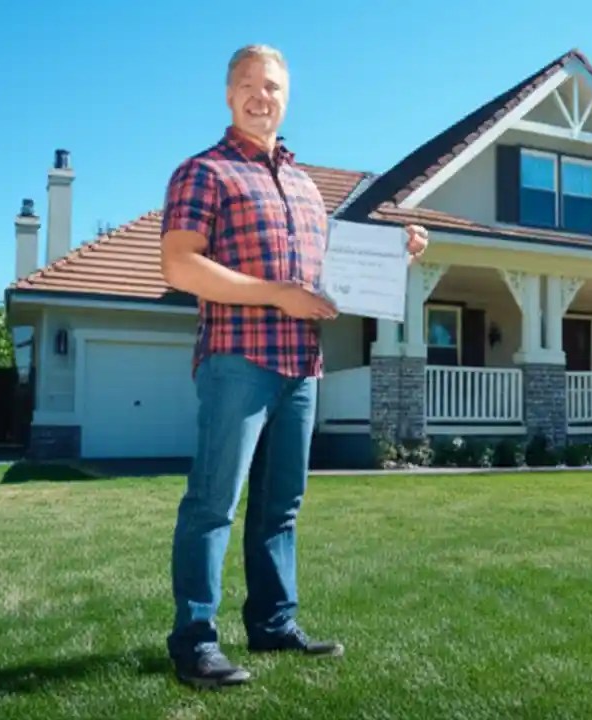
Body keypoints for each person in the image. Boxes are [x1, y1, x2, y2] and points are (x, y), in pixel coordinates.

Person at [157, 43, 429, 689]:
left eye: (273, 86)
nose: (261, 96)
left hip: (301, 365)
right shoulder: (204, 172)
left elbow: (330, 279)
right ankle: (194, 641)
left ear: (287, 96)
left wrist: (400, 255)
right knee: (213, 504)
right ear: (229, 94)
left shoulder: (307, 188)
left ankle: (274, 624)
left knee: (281, 506)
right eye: (248, 85)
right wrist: (276, 292)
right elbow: (180, 265)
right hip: (237, 361)